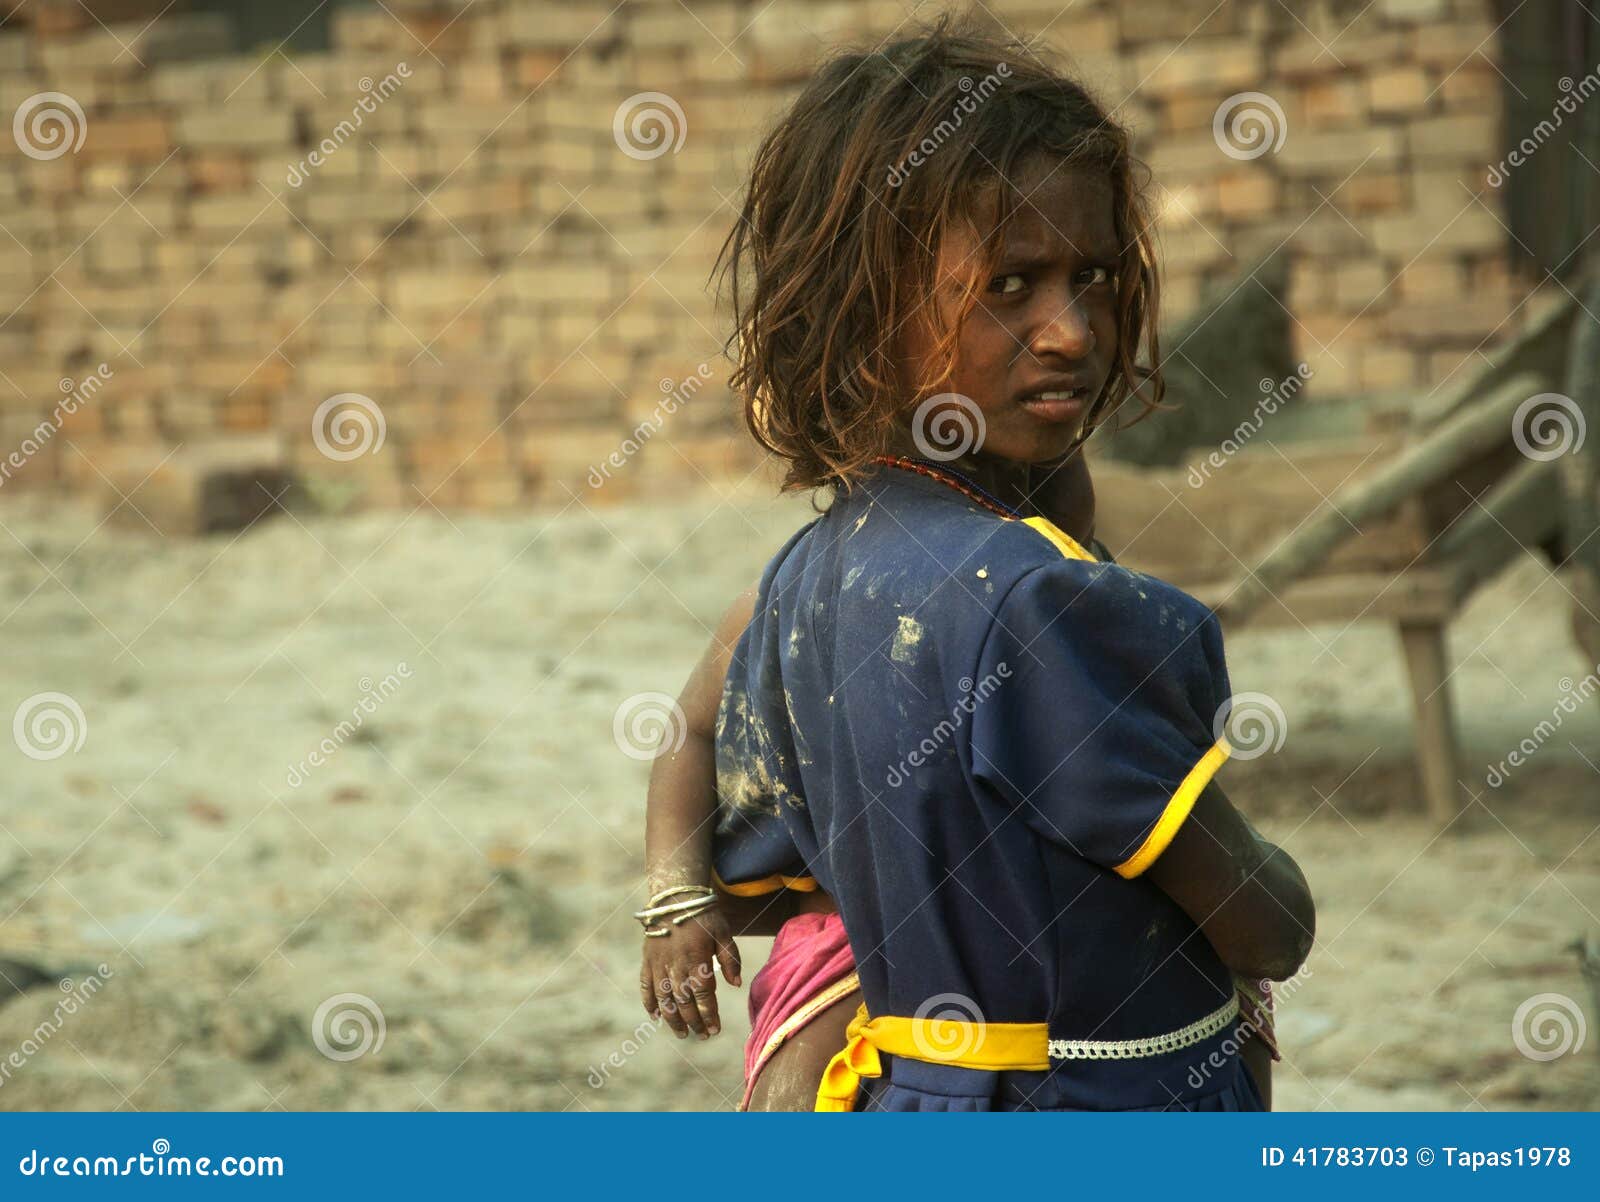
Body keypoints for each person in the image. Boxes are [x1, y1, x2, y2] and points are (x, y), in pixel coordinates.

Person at [638, 18, 1312, 1112]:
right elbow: (1266, 923)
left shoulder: (805, 578)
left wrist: (677, 898)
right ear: (866, 317)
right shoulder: (1040, 604)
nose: (1070, 330)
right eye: (1009, 286)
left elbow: (764, 858)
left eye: (1089, 276)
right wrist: (1275, 886)